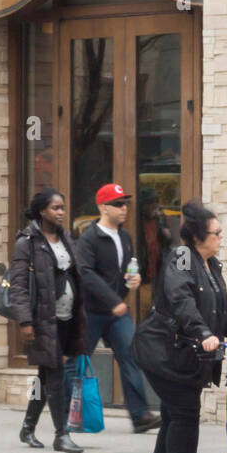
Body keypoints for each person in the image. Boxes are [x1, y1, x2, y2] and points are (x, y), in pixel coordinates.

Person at [139, 201, 227, 453]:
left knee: (175, 415)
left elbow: (223, 306)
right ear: (199, 236)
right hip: (164, 350)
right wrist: (203, 333)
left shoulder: (211, 265)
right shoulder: (184, 257)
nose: (221, 238)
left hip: (185, 353)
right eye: (216, 233)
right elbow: (181, 299)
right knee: (185, 414)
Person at [70, 182, 160, 433]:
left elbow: (124, 269)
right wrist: (114, 301)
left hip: (117, 313)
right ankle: (64, 409)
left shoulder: (125, 237)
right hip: (90, 312)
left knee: (131, 357)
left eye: (126, 204)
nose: (124, 209)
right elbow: (86, 275)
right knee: (76, 361)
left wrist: (134, 279)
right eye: (118, 204)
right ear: (102, 207)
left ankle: (140, 415)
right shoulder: (89, 238)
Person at [11, 189, 86, 453]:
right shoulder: (27, 242)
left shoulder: (66, 238)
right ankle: (61, 434)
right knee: (56, 376)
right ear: (42, 211)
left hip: (67, 318)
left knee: (45, 376)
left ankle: (28, 427)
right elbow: (18, 285)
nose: (61, 212)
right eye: (56, 208)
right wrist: (25, 321)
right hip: (43, 319)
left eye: (63, 207)